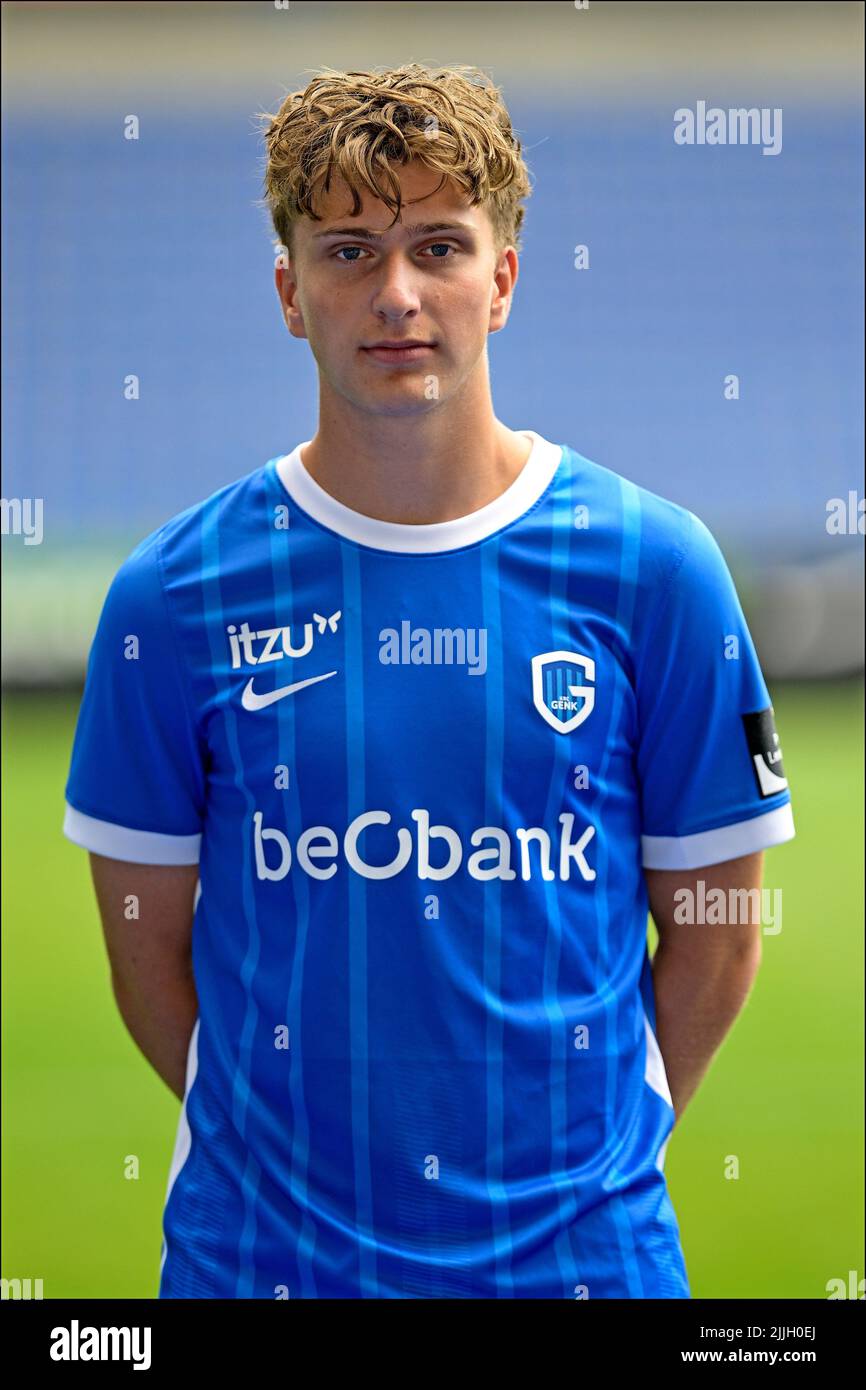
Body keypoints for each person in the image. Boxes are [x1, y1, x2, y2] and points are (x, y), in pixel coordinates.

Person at [62, 63, 795, 1299]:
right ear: (289, 293)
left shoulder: (653, 567)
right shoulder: (169, 599)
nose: (395, 294)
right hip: (261, 1268)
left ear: (501, 279)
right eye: (348, 251)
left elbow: (718, 931)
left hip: (585, 1269)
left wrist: (591, 1151)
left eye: (438, 246)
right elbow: (144, 946)